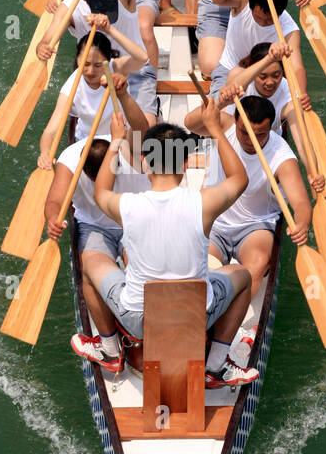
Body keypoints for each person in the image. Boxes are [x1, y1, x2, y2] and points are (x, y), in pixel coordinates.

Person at [79, 103, 261, 387]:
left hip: (139, 319)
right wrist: (215, 128)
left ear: (146, 162)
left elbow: (101, 190)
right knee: (242, 274)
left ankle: (110, 350)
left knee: (90, 260)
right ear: (186, 163)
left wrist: (116, 140)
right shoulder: (204, 203)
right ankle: (215, 366)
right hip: (196, 315)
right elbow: (240, 178)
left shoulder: (127, 205)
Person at [184, 91, 322, 299]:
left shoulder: (282, 156)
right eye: (245, 132)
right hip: (216, 221)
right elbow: (190, 123)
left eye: (261, 134)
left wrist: (302, 224)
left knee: (257, 262)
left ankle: (238, 321)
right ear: (236, 121)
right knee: (199, 264)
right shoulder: (225, 124)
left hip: (255, 227)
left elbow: (301, 203)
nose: (251, 140)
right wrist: (220, 101)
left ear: (270, 129)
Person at [44, 133, 149, 374]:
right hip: (95, 226)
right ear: (88, 174)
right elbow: (55, 200)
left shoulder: (132, 153)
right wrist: (52, 218)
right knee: (89, 270)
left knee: (142, 271)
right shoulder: (71, 161)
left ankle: (142, 332)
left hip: (133, 220)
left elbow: (146, 129)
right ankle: (110, 347)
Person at [37, 31, 148, 160]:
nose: (90, 71)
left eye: (98, 65)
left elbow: (142, 57)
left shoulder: (116, 67)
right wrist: (45, 154)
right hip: (88, 145)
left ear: (108, 60)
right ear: (78, 59)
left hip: (121, 139)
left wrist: (109, 29)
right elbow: (50, 132)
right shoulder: (71, 88)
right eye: (86, 64)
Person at [209, 0, 306, 98]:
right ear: (251, 5)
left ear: (280, 12)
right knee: (217, 110)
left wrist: (301, 95)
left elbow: (296, 67)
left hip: (265, 80)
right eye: (258, 17)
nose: (262, 22)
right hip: (229, 68)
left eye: (269, 20)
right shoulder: (243, 0)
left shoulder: (290, 30)